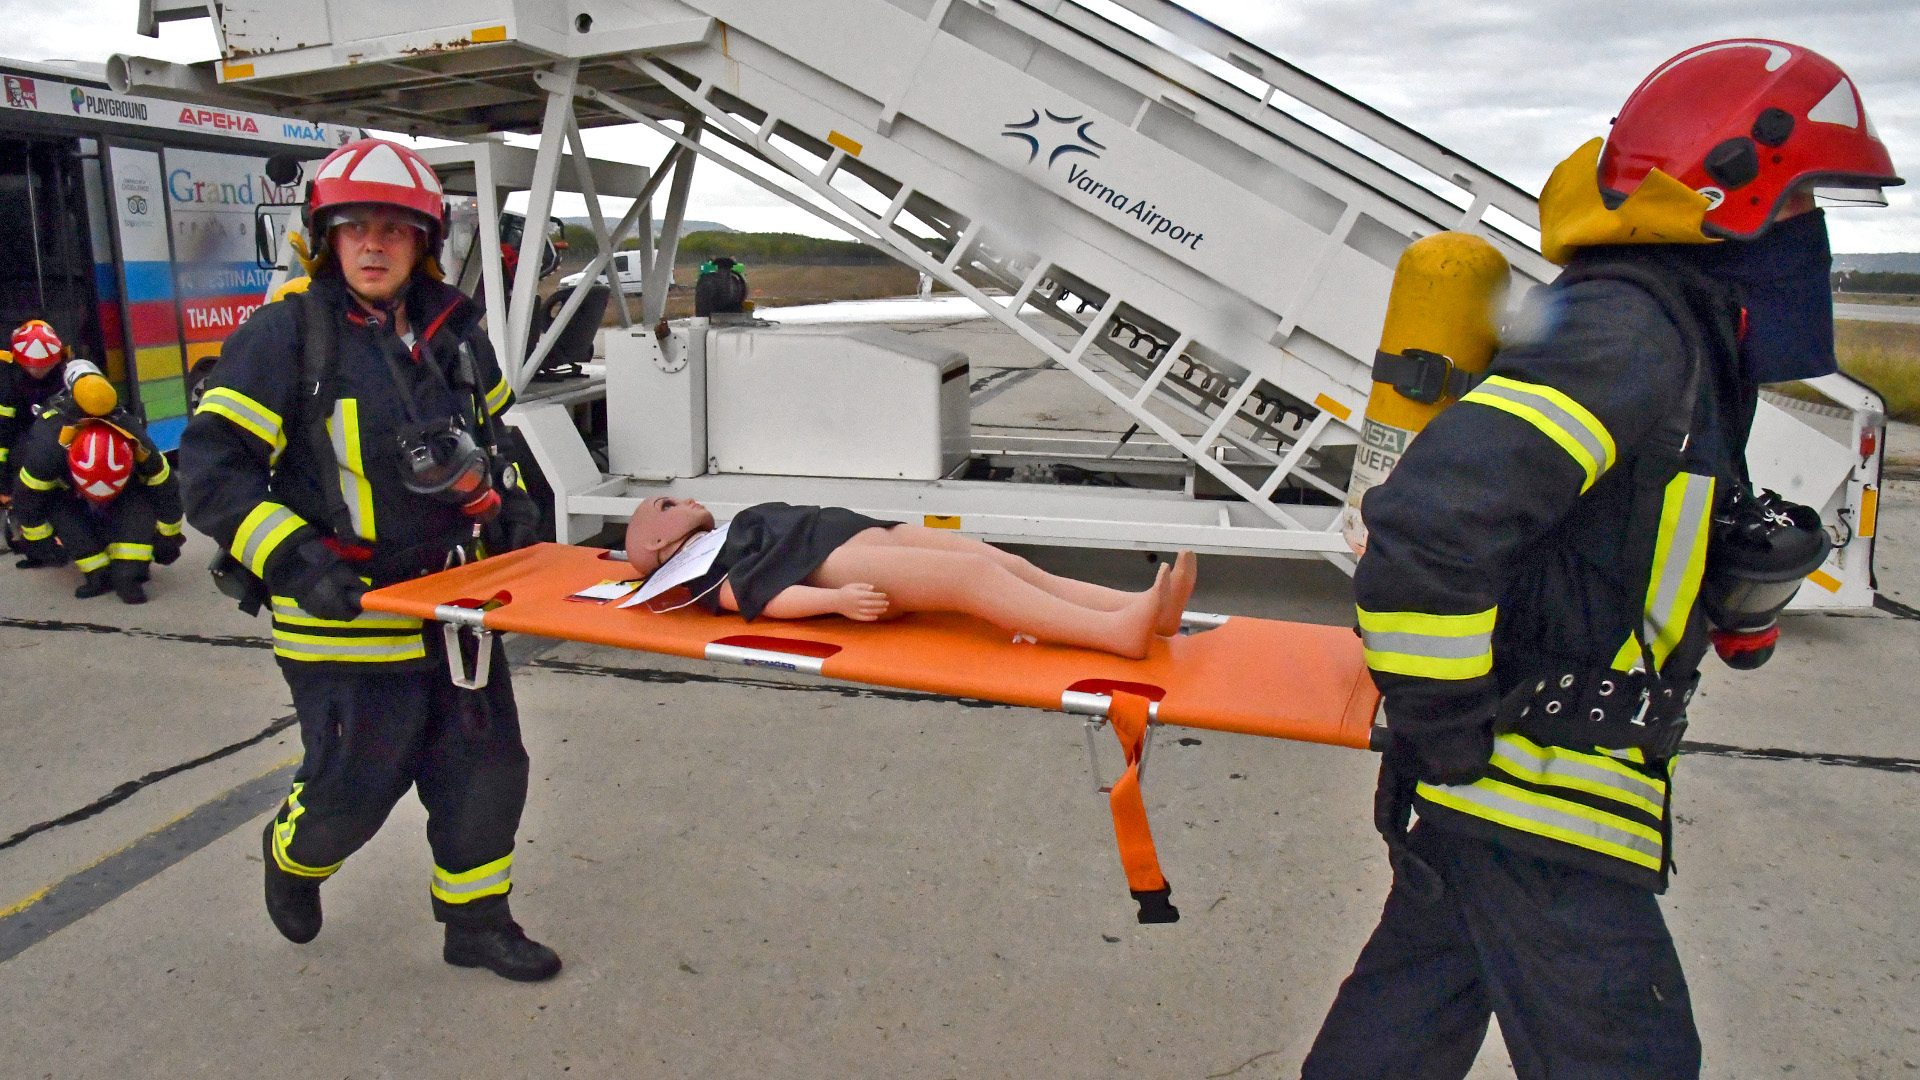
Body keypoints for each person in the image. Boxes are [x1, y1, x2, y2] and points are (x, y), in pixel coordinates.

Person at [1301, 41, 1900, 1078]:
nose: (1815, 236)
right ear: (1729, 195)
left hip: (1509, 790)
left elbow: (1607, 536)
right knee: (1633, 1054)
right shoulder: (1629, 334)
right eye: (1802, 205)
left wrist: (1731, 579)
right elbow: (1431, 529)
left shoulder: (1678, 335)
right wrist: (1447, 730)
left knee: (1403, 1028)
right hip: (1533, 797)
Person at [178, 137, 555, 982]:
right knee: (353, 791)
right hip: (348, 613)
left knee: (485, 772)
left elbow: (500, 440)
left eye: (395, 229)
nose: (375, 246)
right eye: (356, 229)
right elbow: (211, 472)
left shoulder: (456, 335)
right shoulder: (285, 337)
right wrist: (300, 561)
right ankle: (295, 856)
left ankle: (477, 924)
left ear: (424, 242)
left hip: (458, 610)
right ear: (327, 239)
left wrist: (527, 512)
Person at [624, 497, 1198, 658]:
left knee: (1006, 564)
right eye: (668, 505)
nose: (686, 499)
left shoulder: (717, 536)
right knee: (974, 579)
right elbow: (759, 599)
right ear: (656, 541)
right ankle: (1113, 634)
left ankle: (1147, 609)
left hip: (865, 534)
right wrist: (833, 601)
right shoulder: (697, 574)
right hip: (839, 565)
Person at [10, 366, 184, 601]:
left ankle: (129, 575)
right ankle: (97, 573)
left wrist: (168, 537)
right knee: (57, 507)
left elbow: (164, 485)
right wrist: (40, 542)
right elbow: (28, 497)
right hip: (69, 491)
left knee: (139, 501)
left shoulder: (132, 435)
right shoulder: (49, 446)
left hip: (125, 488)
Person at [0, 320, 72, 541]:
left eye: (45, 366)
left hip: (64, 443)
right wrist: (3, 483)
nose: (38, 371)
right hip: (27, 447)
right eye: (32, 366)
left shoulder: (67, 376)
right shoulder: (11, 386)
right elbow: (4, 432)